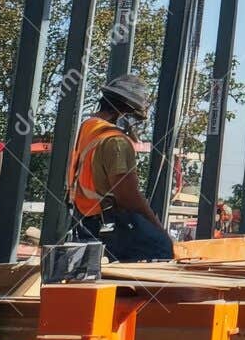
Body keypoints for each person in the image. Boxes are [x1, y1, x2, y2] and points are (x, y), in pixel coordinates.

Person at [67, 74, 174, 262]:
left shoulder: (89, 128)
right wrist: (158, 227)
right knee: (161, 248)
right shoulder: (116, 141)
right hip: (113, 226)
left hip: (86, 221)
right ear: (125, 112)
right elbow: (128, 197)